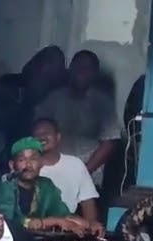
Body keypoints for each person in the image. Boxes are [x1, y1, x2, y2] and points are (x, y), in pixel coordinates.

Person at [35, 50, 121, 191]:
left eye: (87, 69)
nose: (82, 72)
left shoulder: (102, 103)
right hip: (53, 176)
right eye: (78, 67)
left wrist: (81, 174)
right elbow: (37, 133)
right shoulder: (54, 99)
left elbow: (109, 143)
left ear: (95, 73)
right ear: (71, 69)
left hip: (88, 176)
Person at [0, 137, 91, 234]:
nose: (28, 165)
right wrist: (51, 222)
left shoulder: (46, 185)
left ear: (41, 163)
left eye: (33, 159)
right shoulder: (4, 187)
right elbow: (7, 222)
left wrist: (88, 225)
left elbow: (62, 214)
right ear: (12, 165)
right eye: (22, 160)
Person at [32, 117, 100, 224]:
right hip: (36, 227)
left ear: (58, 137)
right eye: (37, 134)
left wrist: (91, 226)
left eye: (47, 132)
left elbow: (88, 204)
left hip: (69, 228)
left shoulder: (75, 165)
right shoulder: (28, 169)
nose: (41, 137)